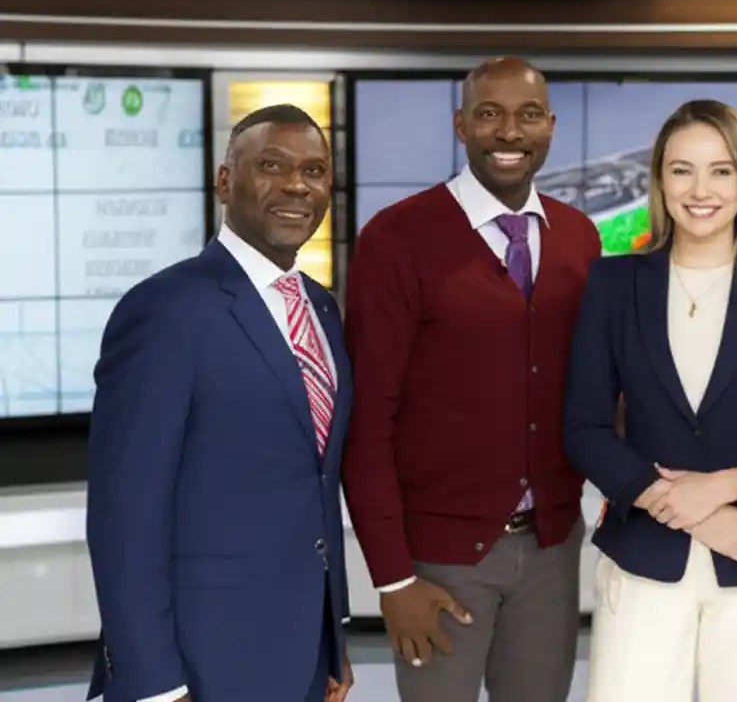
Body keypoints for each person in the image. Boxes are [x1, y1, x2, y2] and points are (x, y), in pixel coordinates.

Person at [341, 56, 602, 702]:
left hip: (550, 550)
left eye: (527, 115)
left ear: (550, 127)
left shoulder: (579, 237)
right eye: (489, 114)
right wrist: (393, 580)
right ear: (461, 125)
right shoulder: (396, 238)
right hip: (439, 561)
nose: (508, 132)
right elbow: (367, 419)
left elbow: (594, 391)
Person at [563, 99, 737, 702]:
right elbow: (583, 428)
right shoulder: (614, 286)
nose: (700, 189)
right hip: (641, 562)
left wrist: (723, 488)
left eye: (721, 170)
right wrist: (683, 507)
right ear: (660, 179)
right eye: (682, 169)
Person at [84, 104, 354, 702]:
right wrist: (152, 680)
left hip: (302, 654)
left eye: (314, 170)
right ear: (225, 181)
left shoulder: (322, 308)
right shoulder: (165, 309)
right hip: (202, 662)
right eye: (272, 165)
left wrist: (331, 640)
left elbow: (314, 481)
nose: (297, 185)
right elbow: (123, 513)